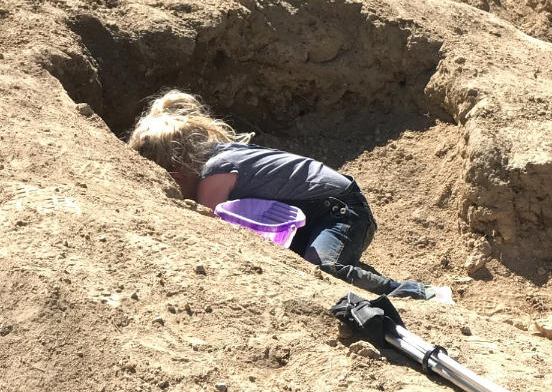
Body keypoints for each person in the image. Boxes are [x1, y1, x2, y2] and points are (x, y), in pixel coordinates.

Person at [127, 90, 443, 300]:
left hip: (341, 211)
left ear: (176, 172)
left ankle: (420, 293)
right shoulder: (219, 158)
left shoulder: (215, 173)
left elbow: (210, 228)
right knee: (299, 263)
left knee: (322, 269)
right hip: (316, 215)